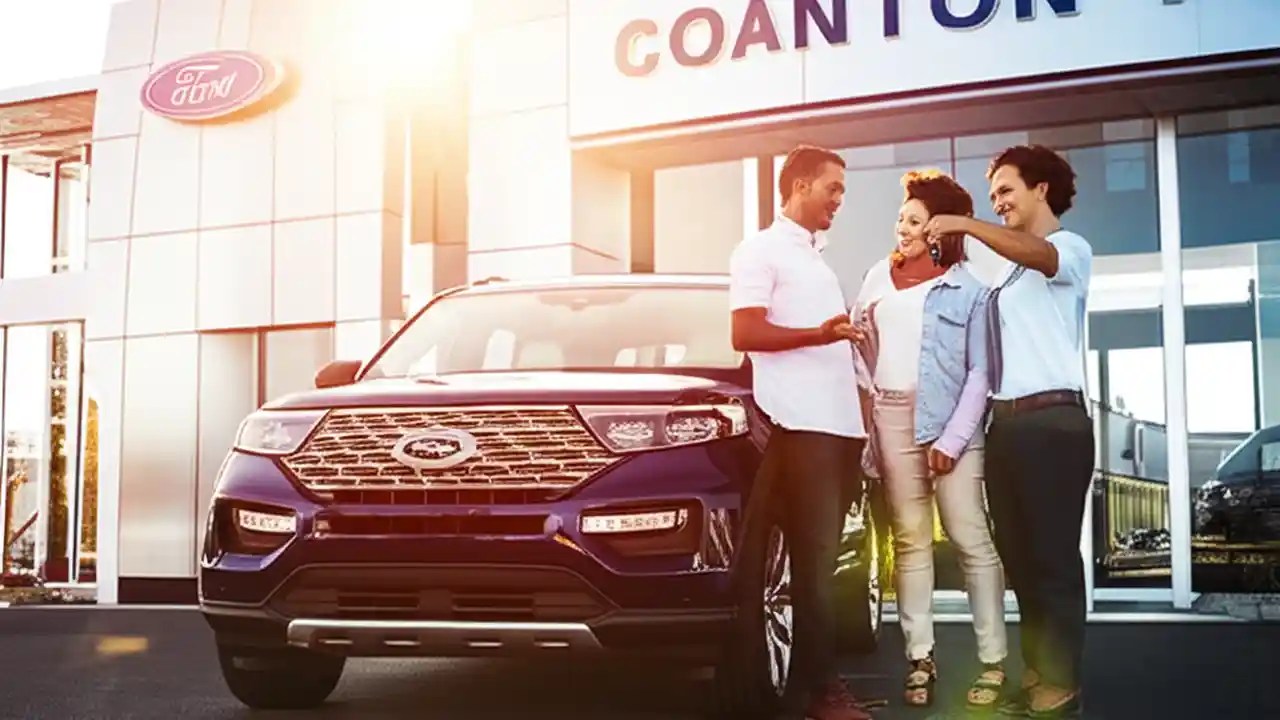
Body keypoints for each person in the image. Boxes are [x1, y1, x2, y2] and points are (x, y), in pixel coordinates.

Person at [924, 145, 1094, 718]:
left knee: (1051, 559)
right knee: (1020, 558)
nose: (997, 201)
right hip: (1010, 424)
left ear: (1041, 188)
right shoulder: (1011, 268)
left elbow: (1043, 256)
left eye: (1005, 189)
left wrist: (967, 223)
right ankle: (1039, 672)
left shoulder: (1067, 249)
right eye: (992, 193)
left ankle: (1062, 682)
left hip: (1054, 422)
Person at [850, 169, 1008, 711]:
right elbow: (857, 348)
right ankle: (920, 658)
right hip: (892, 416)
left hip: (950, 420)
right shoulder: (876, 277)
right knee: (910, 541)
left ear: (941, 227)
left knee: (969, 537)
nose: (903, 228)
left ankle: (992, 661)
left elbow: (982, 372)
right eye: (901, 218)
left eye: (915, 220)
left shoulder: (970, 289)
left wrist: (955, 438)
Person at [729, 144, 871, 720]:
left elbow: (835, 349)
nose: (839, 198)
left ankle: (815, 689)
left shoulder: (818, 262)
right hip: (802, 430)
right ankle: (820, 694)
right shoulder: (760, 250)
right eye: (831, 187)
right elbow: (745, 332)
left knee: (823, 567)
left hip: (838, 432)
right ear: (799, 186)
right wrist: (819, 333)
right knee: (813, 569)